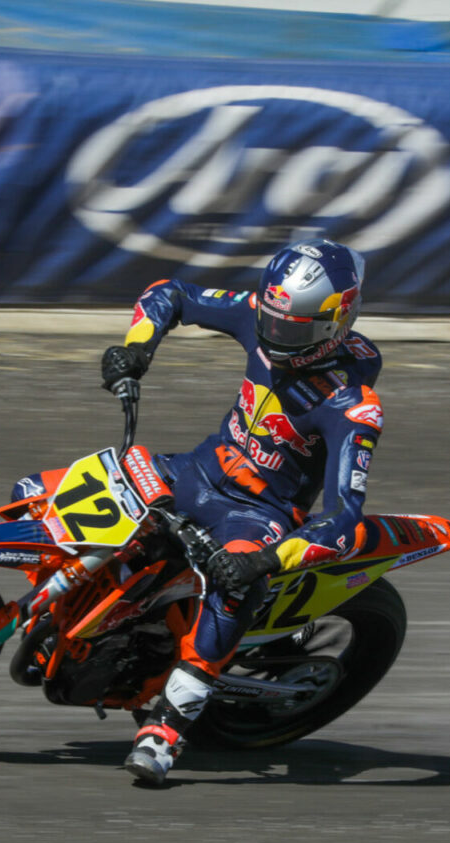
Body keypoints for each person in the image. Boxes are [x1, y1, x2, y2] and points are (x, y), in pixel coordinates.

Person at [99, 238, 385, 785]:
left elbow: (345, 519)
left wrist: (265, 562)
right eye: (272, 319)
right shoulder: (264, 315)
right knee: (71, 484)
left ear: (337, 320)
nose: (275, 335)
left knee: (233, 590)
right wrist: (137, 348)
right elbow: (171, 292)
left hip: (258, 515)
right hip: (197, 470)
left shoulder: (353, 404)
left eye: (294, 328)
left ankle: (168, 731)